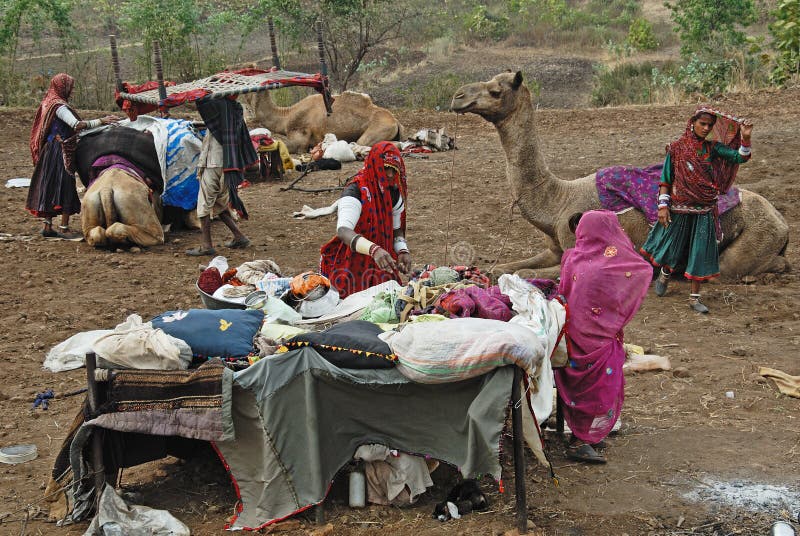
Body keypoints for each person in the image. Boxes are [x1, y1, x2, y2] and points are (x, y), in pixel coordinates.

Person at [555, 210, 651, 464]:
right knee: (600, 389)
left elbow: (564, 293)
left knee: (589, 389)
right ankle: (579, 441)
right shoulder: (610, 266)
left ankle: (584, 434)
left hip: (574, 337)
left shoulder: (572, 258)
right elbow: (641, 271)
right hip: (598, 340)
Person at [640, 107, 753, 313]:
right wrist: (663, 207)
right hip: (679, 207)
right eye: (702, 124)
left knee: (700, 251)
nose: (706, 128)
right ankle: (665, 273)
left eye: (710, 125)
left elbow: (740, 157)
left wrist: (745, 138)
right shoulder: (676, 149)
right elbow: (666, 180)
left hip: (704, 209)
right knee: (672, 246)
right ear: (692, 123)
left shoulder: (713, 149)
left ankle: (694, 299)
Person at [27, 73, 119, 238]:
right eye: (70, 87)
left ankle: (47, 226)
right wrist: (101, 121)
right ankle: (64, 227)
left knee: (50, 184)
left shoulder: (48, 102)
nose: (73, 90)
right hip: (60, 151)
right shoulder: (59, 106)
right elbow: (76, 125)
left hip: (50, 150)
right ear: (62, 87)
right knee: (66, 184)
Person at [319, 142, 411, 298]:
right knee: (350, 302)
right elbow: (343, 231)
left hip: (381, 263)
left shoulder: (393, 192)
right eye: (386, 168)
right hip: (351, 263)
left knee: (385, 301)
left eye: (394, 170)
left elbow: (396, 230)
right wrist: (374, 250)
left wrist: (402, 250)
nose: (390, 174)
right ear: (375, 166)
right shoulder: (356, 190)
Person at [186, 97, 257, 256]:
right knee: (220, 202)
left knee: (204, 203)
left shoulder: (219, 108)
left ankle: (206, 245)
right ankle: (239, 237)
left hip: (213, 163)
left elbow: (201, 103)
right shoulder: (235, 110)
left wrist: (198, 96)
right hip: (229, 163)